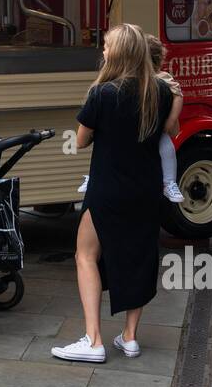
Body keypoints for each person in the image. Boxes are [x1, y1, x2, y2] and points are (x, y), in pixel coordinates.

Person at [51, 23, 182, 363]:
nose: (104, 52)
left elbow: (80, 140)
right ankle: (130, 337)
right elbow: (169, 130)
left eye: (107, 46)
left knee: (85, 256)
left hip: (107, 188)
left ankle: (93, 340)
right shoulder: (161, 92)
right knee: (138, 258)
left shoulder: (102, 93)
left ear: (120, 52)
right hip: (146, 189)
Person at [146, 34, 186, 203]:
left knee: (167, 149)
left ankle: (169, 182)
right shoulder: (133, 76)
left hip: (157, 127)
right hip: (140, 125)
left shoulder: (163, 77)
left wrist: (170, 120)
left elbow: (178, 96)